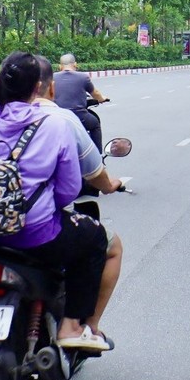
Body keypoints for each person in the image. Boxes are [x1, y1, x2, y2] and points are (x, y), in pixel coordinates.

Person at [0, 53, 113, 355]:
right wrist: (44, 210)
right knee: (95, 239)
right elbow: (69, 189)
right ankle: (72, 325)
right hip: (38, 236)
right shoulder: (54, 124)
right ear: (41, 87)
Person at [35, 57, 127, 343]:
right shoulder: (61, 120)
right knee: (103, 244)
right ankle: (81, 326)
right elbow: (88, 175)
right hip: (40, 226)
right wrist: (108, 183)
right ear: (50, 89)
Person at [50, 53, 109, 149]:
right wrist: (102, 99)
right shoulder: (83, 77)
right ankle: (99, 155)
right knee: (95, 125)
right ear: (75, 64)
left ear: (60, 66)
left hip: (58, 117)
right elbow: (96, 93)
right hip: (80, 117)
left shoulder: (52, 77)